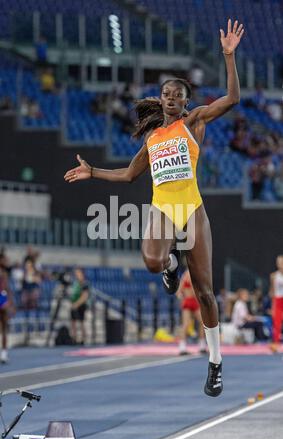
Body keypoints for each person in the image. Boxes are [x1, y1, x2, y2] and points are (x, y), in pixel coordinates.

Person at [64, 19, 244, 397]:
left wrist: (228, 57)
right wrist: (92, 171)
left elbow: (232, 99)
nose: (172, 98)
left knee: (206, 293)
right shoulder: (152, 138)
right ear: (161, 99)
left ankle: (214, 363)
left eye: (178, 94)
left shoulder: (194, 122)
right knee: (150, 261)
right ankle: (170, 264)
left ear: (185, 102)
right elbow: (130, 176)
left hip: (192, 209)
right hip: (163, 208)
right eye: (166, 94)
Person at [177, 269, 207, 355]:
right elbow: (181, 290)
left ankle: (202, 345)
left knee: (202, 323)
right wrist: (182, 297)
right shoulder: (188, 274)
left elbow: (180, 291)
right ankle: (182, 347)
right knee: (186, 324)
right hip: (189, 301)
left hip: (193, 301)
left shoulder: (194, 273)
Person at [70, 268, 90, 345]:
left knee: (81, 322)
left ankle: (83, 339)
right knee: (73, 322)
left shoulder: (84, 283)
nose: (77, 275)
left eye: (78, 273)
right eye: (76, 273)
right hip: (74, 305)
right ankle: (74, 338)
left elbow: (85, 296)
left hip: (81, 306)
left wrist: (77, 304)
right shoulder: (75, 284)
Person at [0, 265, 14, 364]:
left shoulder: (4, 276)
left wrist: (10, 304)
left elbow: (8, 291)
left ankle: (4, 353)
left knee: (4, 328)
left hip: (2, 300)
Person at [270, 255, 283, 351]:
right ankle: (276, 343)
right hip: (278, 300)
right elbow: (273, 292)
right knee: (277, 323)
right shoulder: (274, 276)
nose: (280, 264)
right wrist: (273, 306)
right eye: (278, 262)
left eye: (281, 262)